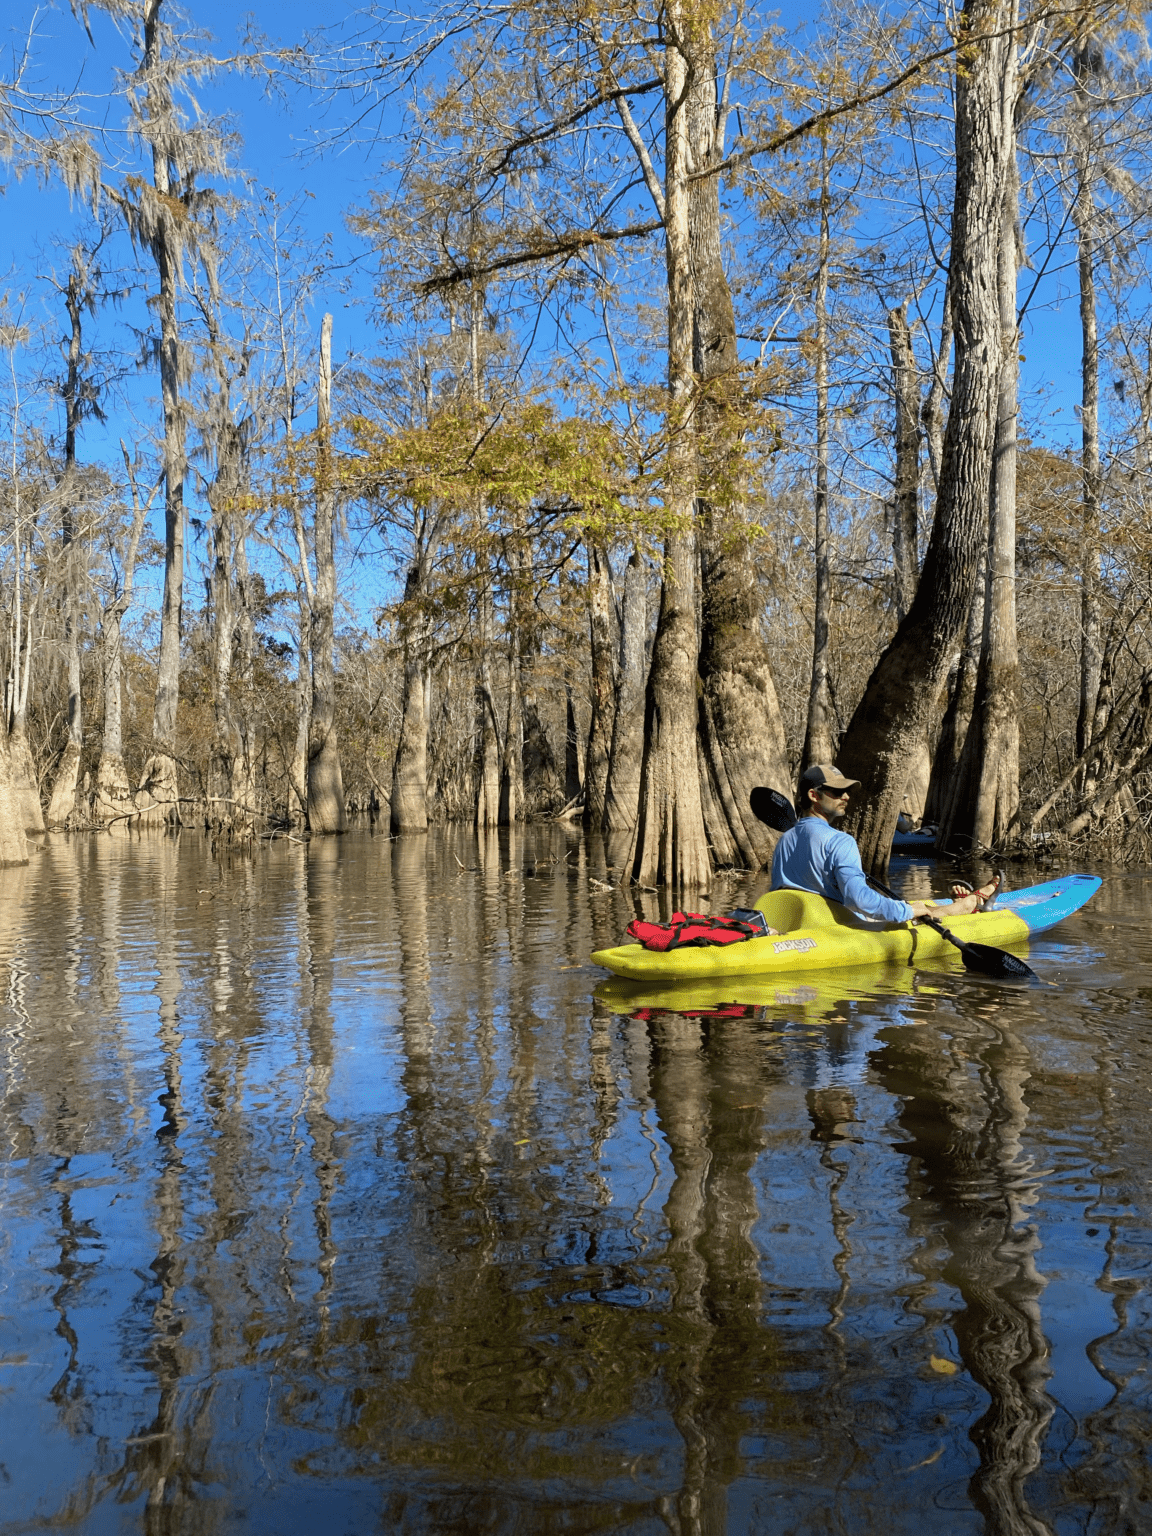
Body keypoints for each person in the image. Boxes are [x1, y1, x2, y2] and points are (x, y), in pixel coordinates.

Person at [771, 763, 1000, 923]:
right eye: (838, 791)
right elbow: (859, 899)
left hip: (804, 924)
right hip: (838, 925)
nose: (847, 796)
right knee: (917, 910)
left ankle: (967, 901)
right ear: (814, 795)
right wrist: (907, 910)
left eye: (847, 791)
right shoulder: (840, 841)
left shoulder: (784, 840)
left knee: (915, 907)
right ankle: (969, 903)